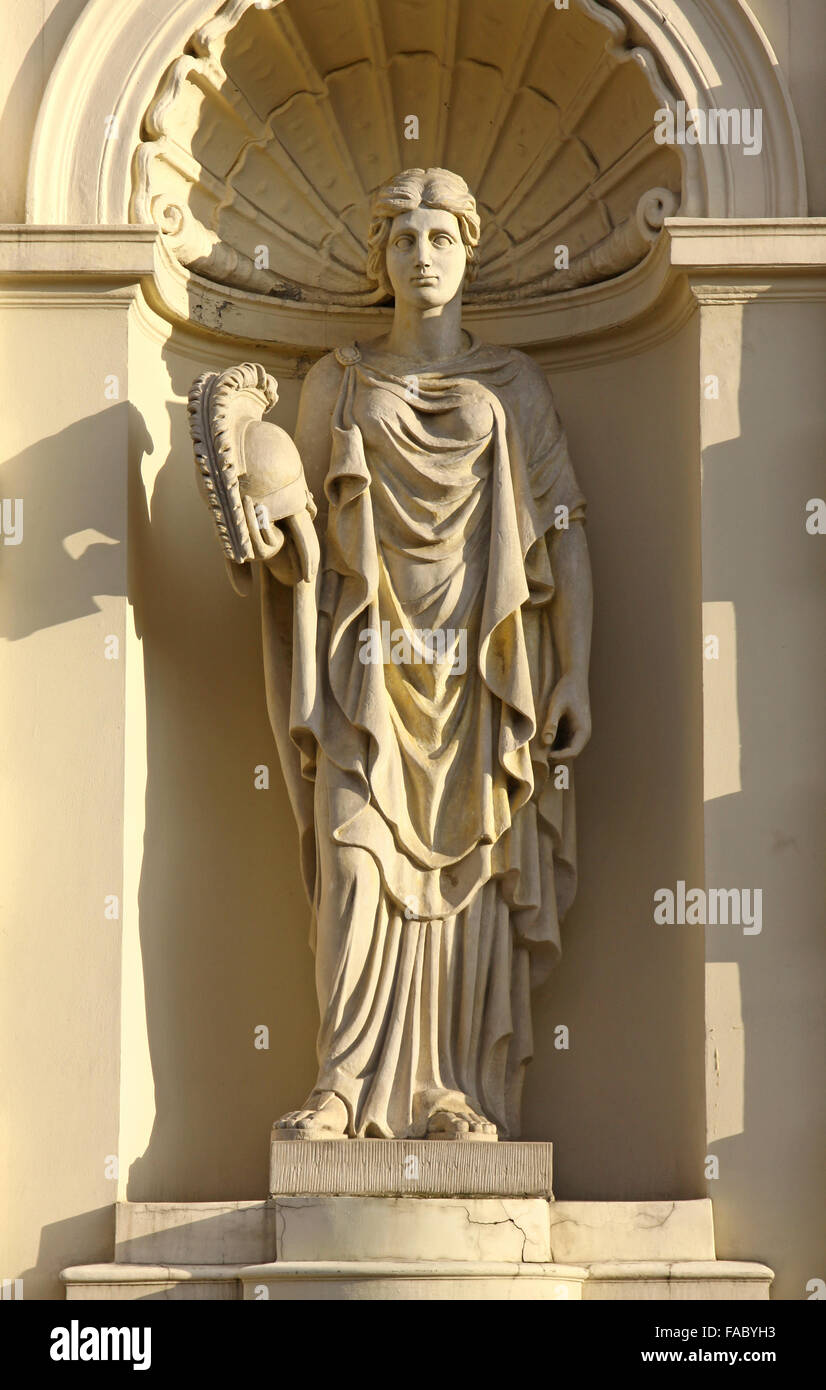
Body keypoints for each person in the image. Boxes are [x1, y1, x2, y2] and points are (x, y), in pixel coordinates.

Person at [243, 167, 593, 1141]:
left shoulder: (510, 385)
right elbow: (301, 530)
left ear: (469, 248)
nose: (423, 256)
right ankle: (342, 1083)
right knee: (355, 861)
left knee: (464, 877)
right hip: (365, 666)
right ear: (381, 258)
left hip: (477, 671)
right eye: (404, 240)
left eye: (441, 237)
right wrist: (270, 524)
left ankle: (448, 1090)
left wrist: (573, 670)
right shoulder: (340, 379)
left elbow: (561, 529)